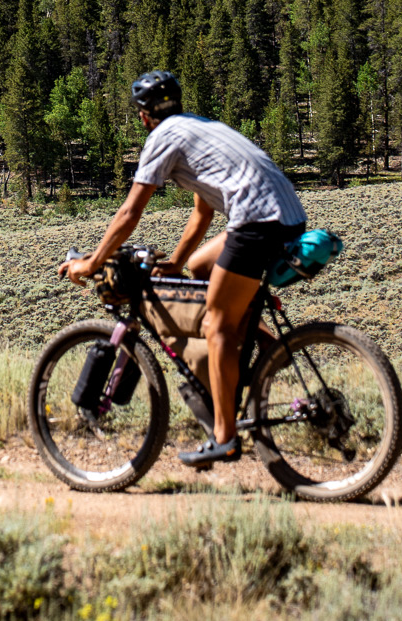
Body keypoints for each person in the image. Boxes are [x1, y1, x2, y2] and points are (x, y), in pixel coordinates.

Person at [58, 70, 306, 467]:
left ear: (143, 115)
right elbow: (202, 212)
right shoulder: (199, 128)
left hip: (257, 222)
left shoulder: (163, 137)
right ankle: (266, 341)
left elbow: (130, 212)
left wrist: (92, 262)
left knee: (216, 326)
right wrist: (174, 262)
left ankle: (224, 437)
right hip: (287, 217)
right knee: (199, 265)